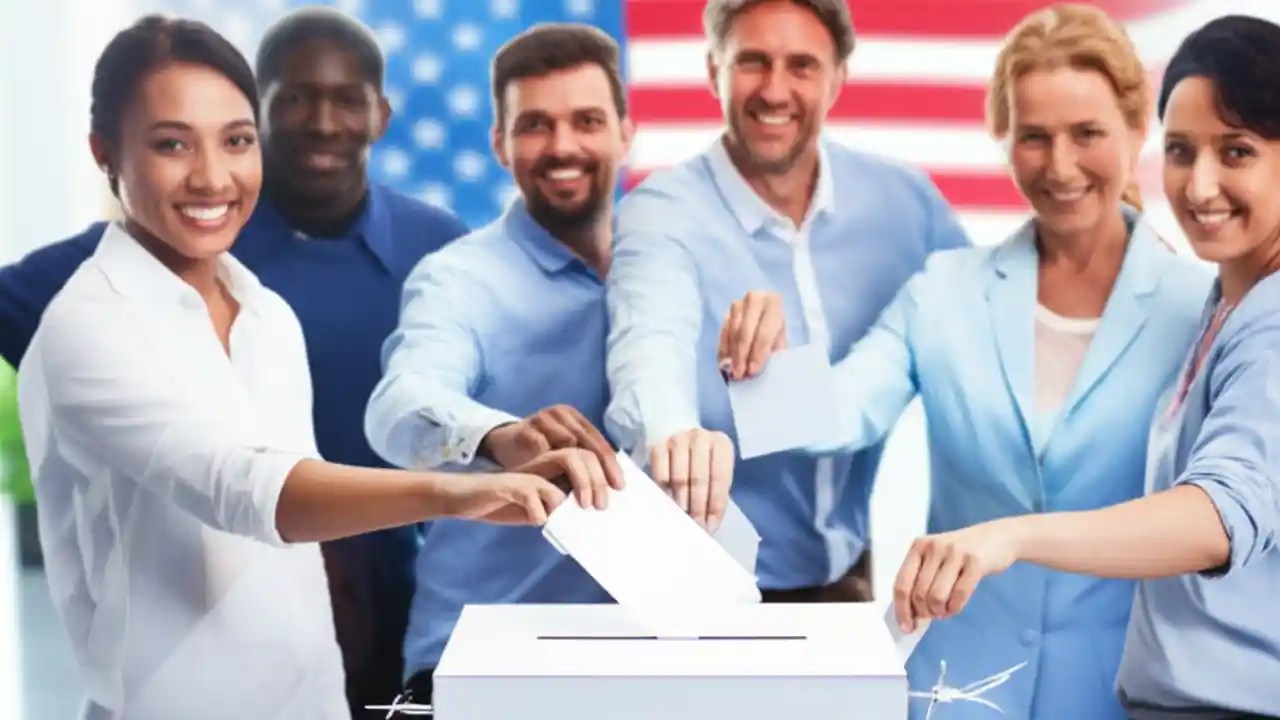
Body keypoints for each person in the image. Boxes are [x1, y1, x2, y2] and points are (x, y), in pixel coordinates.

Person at [17, 16, 600, 719]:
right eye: (171, 143)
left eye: (234, 141)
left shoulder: (265, 315)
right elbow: (241, 487)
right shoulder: (86, 328)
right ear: (105, 153)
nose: (211, 175)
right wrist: (456, 493)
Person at [716, 5, 1213, 718]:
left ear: (1138, 130)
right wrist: (755, 350)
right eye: (1034, 137)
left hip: (1128, 691)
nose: (1061, 165)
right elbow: (835, 413)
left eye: (1087, 134)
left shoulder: (1199, 308)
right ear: (1003, 141)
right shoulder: (942, 292)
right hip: (962, 689)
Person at [894, 15, 1280, 720]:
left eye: (1238, 152)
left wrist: (1011, 534)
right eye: (1183, 151)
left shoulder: (1267, 316)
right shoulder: (1224, 304)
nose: (1199, 186)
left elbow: (1222, 515)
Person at [364, 23, 724, 703]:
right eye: (535, 124)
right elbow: (399, 405)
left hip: (663, 665)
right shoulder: (458, 280)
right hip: (484, 665)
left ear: (626, 131)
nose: (563, 147)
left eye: (586, 120)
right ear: (499, 143)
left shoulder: (690, 271)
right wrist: (500, 439)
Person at [603, 0, 969, 605]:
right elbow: (649, 340)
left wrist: (1113, 241)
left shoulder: (907, 203)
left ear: (837, 79)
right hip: (698, 583)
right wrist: (673, 431)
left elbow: (985, 310)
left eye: (802, 65)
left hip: (850, 574)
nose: (775, 90)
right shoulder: (660, 212)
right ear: (713, 69)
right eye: (753, 62)